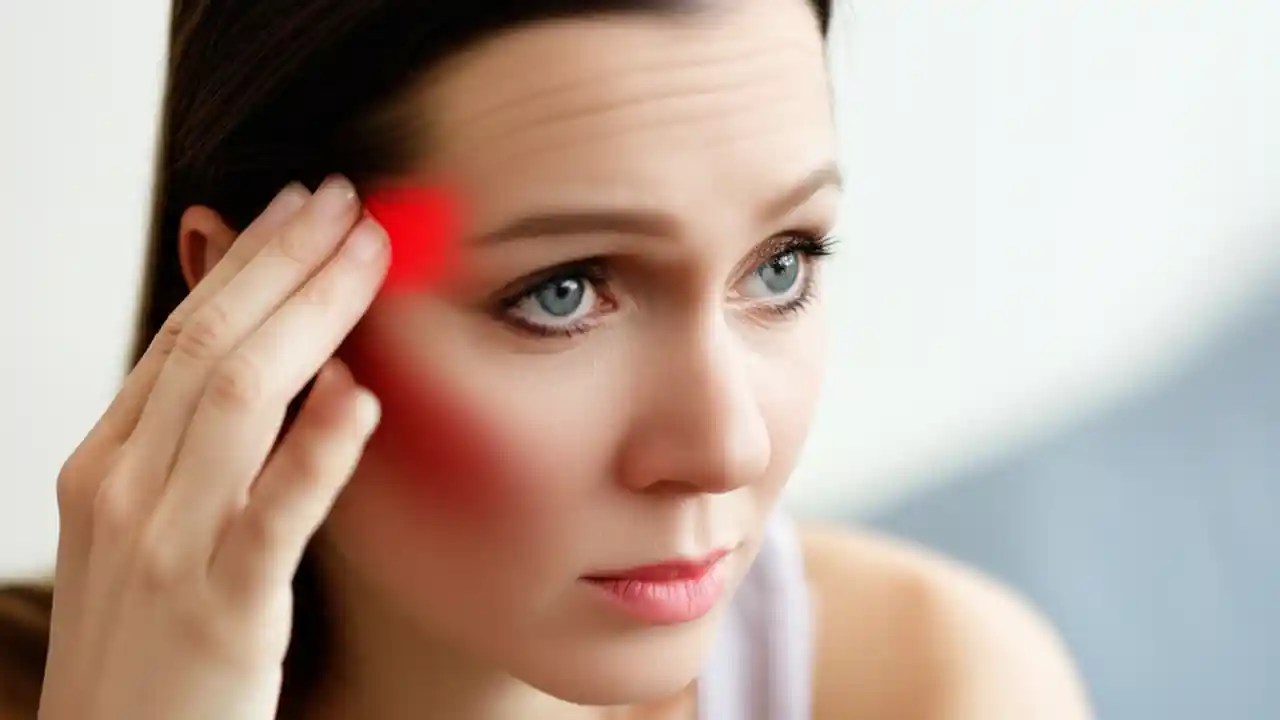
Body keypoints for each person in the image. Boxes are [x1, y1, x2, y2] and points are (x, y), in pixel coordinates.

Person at [0, 0, 1091, 717]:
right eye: (561, 291)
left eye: (780, 265)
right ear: (248, 297)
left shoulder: (931, 687)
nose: (726, 444)